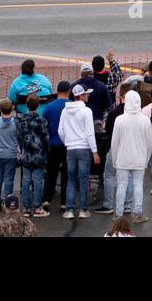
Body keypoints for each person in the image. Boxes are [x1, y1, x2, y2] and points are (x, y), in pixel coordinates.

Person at [109, 88, 152, 223]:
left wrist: (115, 159)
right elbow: (149, 143)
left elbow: (114, 142)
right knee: (138, 185)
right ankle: (138, 213)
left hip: (122, 158)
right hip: (139, 158)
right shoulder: (145, 120)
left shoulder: (119, 120)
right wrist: (146, 159)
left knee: (121, 185)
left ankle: (118, 214)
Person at [58, 83, 99, 220]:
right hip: (84, 148)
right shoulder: (86, 111)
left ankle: (69, 210)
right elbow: (89, 133)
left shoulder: (65, 111)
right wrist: (95, 152)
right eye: (86, 94)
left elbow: (60, 131)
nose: (88, 95)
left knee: (70, 179)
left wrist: (68, 143)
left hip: (70, 148)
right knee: (83, 179)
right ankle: (83, 209)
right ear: (81, 95)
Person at [15, 93, 50, 217]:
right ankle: (37, 207)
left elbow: (19, 136)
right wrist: (47, 151)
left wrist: (22, 148)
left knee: (25, 180)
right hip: (38, 154)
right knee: (38, 181)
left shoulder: (22, 120)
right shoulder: (42, 120)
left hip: (26, 154)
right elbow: (46, 138)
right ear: (38, 105)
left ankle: (25, 207)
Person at [40, 81, 71, 211]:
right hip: (68, 144)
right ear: (69, 92)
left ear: (57, 91)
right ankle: (64, 201)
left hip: (52, 144)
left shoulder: (49, 107)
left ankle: (47, 198)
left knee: (51, 172)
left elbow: (43, 124)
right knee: (67, 173)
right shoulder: (72, 106)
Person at [0, 98, 20, 209]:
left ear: (0, 110)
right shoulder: (15, 122)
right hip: (11, 154)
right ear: (12, 108)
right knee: (9, 179)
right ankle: (8, 201)